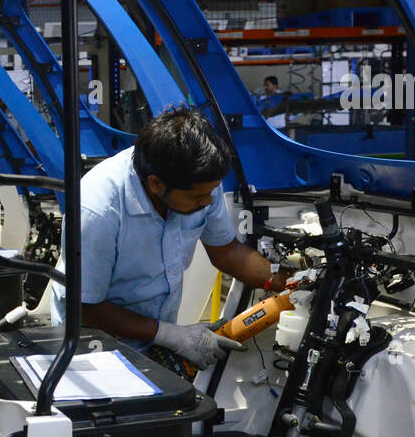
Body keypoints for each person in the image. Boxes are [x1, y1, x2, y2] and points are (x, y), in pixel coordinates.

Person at [51, 109, 288, 372]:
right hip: (92, 343)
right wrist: (172, 335)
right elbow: (85, 306)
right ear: (156, 184)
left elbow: (227, 251)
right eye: (198, 198)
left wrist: (290, 283)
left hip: (153, 335)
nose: (207, 202)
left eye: (210, 192)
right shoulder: (98, 210)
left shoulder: (198, 182)